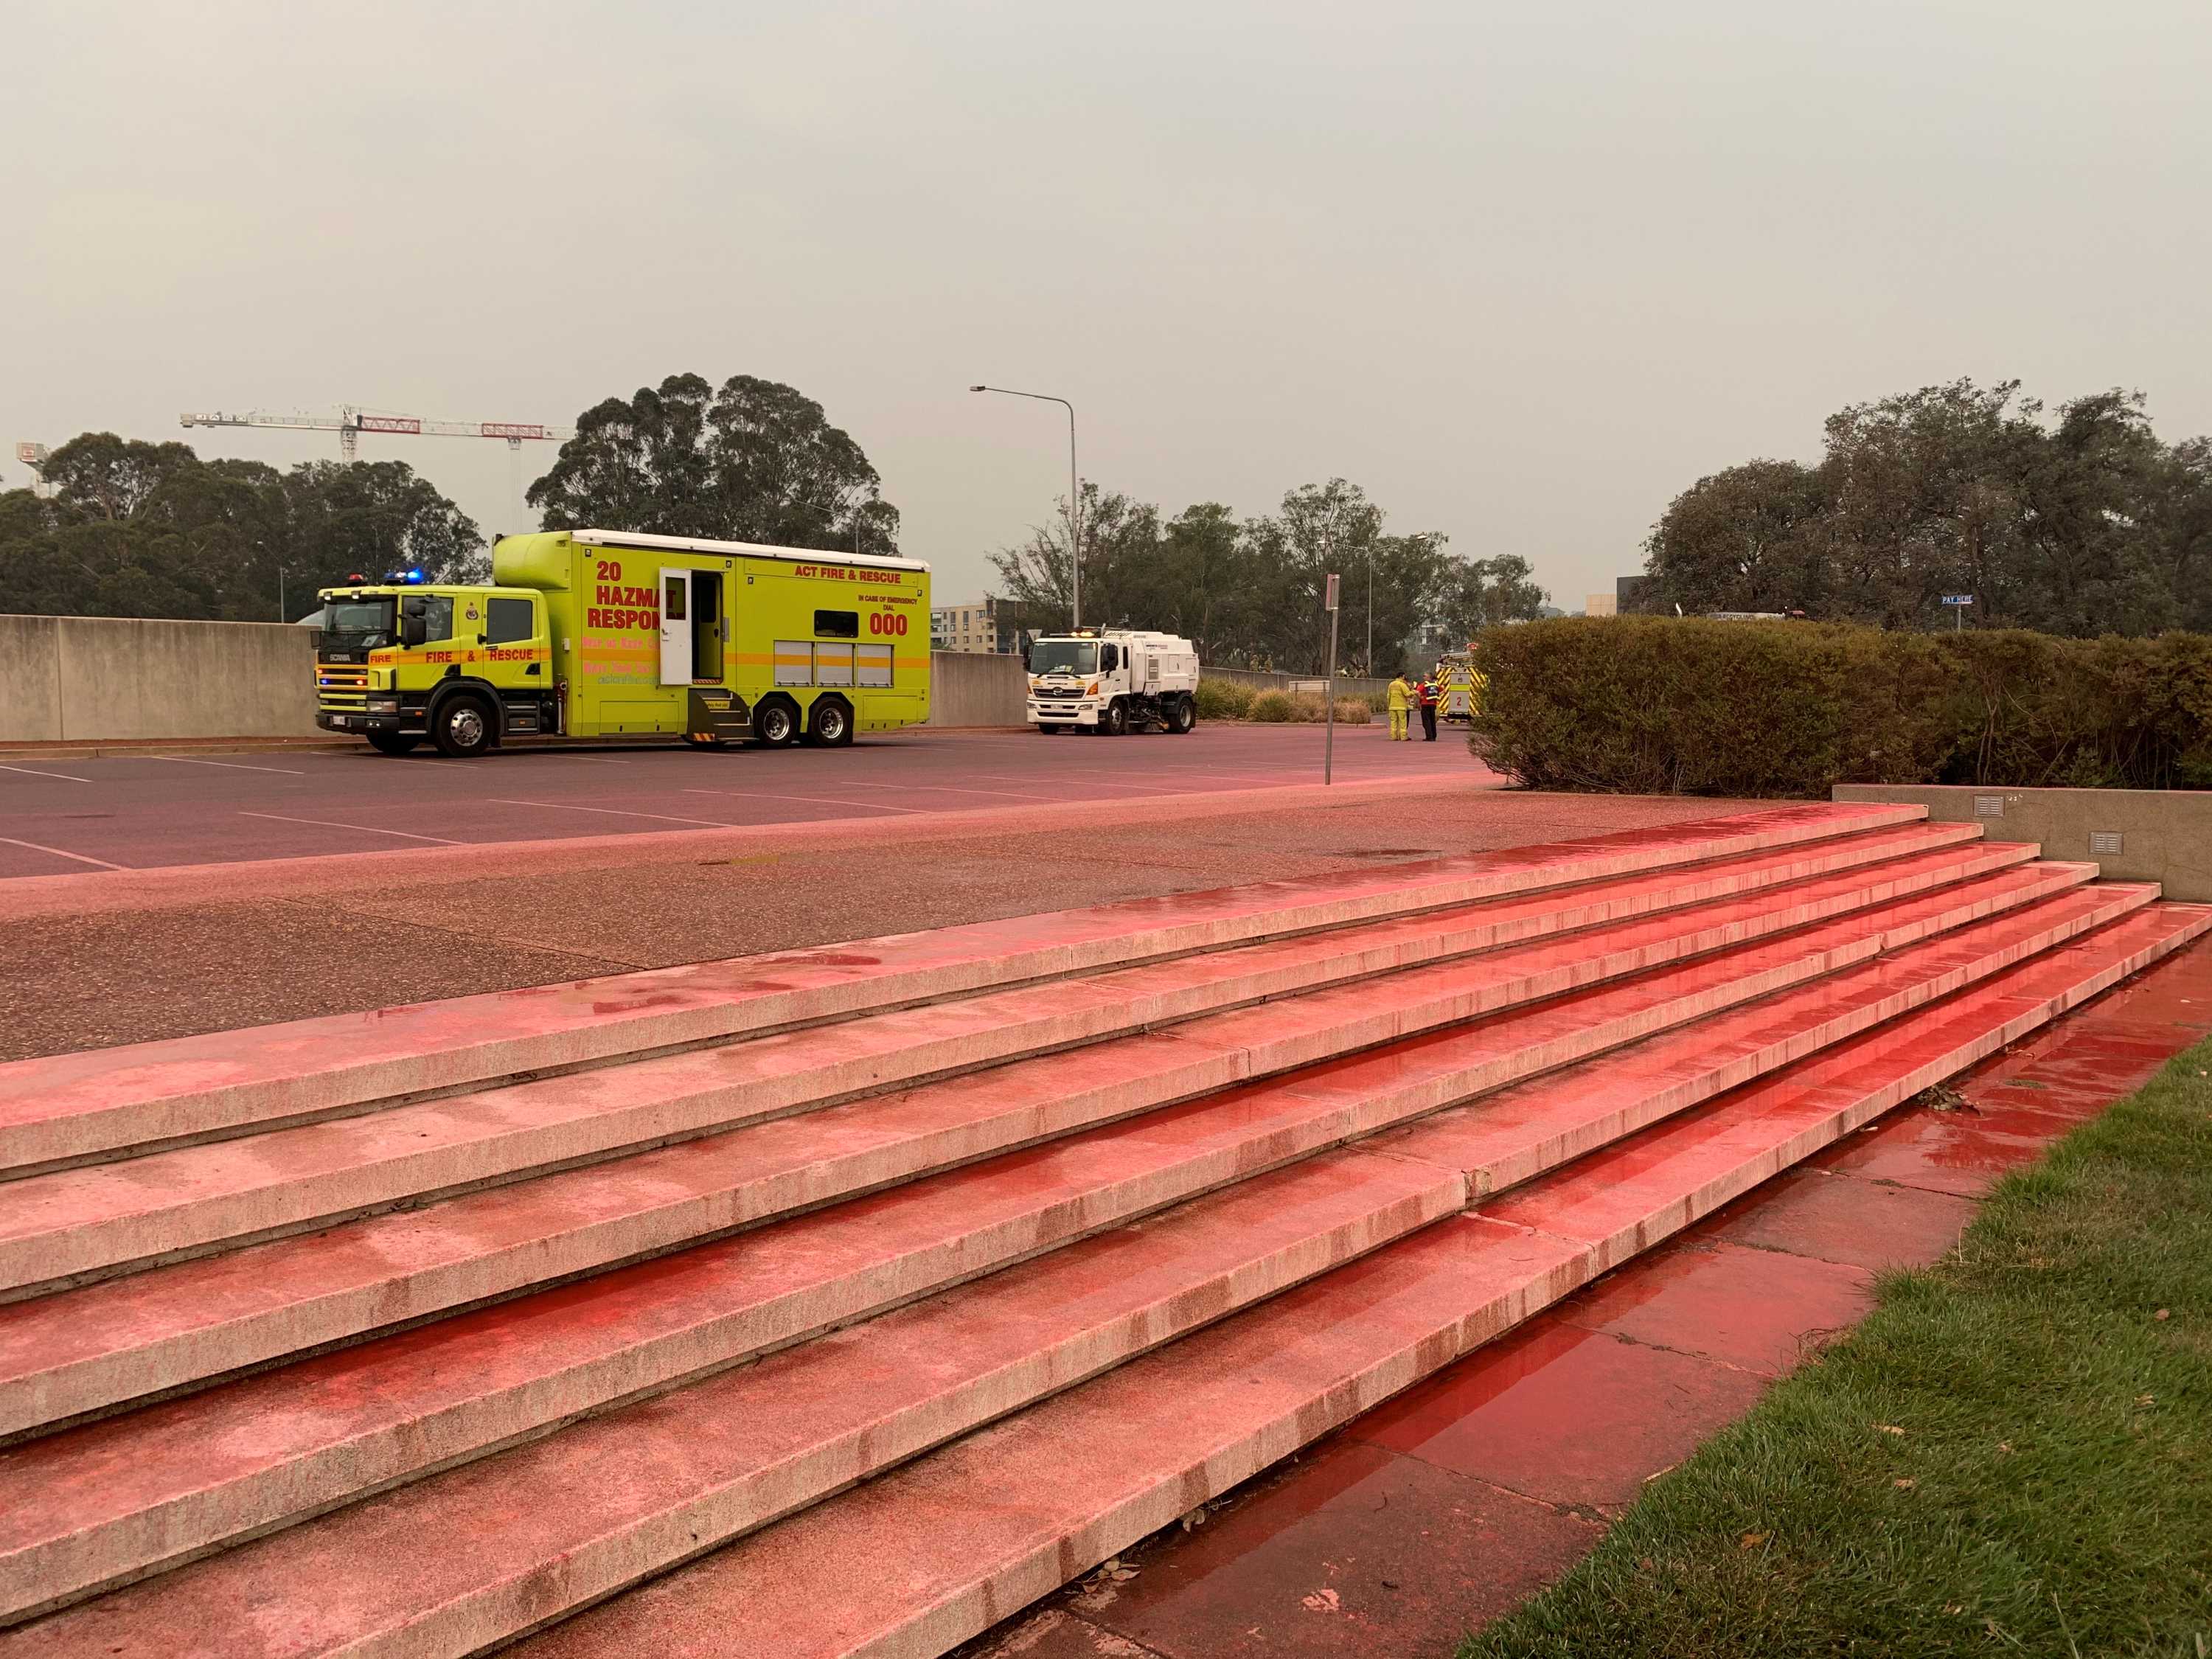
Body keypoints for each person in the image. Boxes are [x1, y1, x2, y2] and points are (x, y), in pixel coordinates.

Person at [1386, 670, 1413, 741]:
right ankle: (1403, 737)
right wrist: (1414, 692)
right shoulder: (1402, 684)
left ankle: (1393, 737)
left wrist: (1389, 705)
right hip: (1401, 707)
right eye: (1404, 676)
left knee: (1393, 722)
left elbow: (1388, 696)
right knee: (1403, 722)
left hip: (1392, 706)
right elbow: (1407, 694)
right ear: (1402, 676)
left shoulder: (1391, 684)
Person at [1418, 667, 1440, 741]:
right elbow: (1443, 690)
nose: (1423, 677)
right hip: (1433, 704)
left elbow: (1417, 692)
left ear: (1428, 677)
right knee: (1432, 720)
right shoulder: (1435, 684)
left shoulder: (1424, 685)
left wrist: (1420, 697)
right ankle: (1434, 736)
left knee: (1426, 721)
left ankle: (1429, 737)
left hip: (1425, 704)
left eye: (1424, 676)